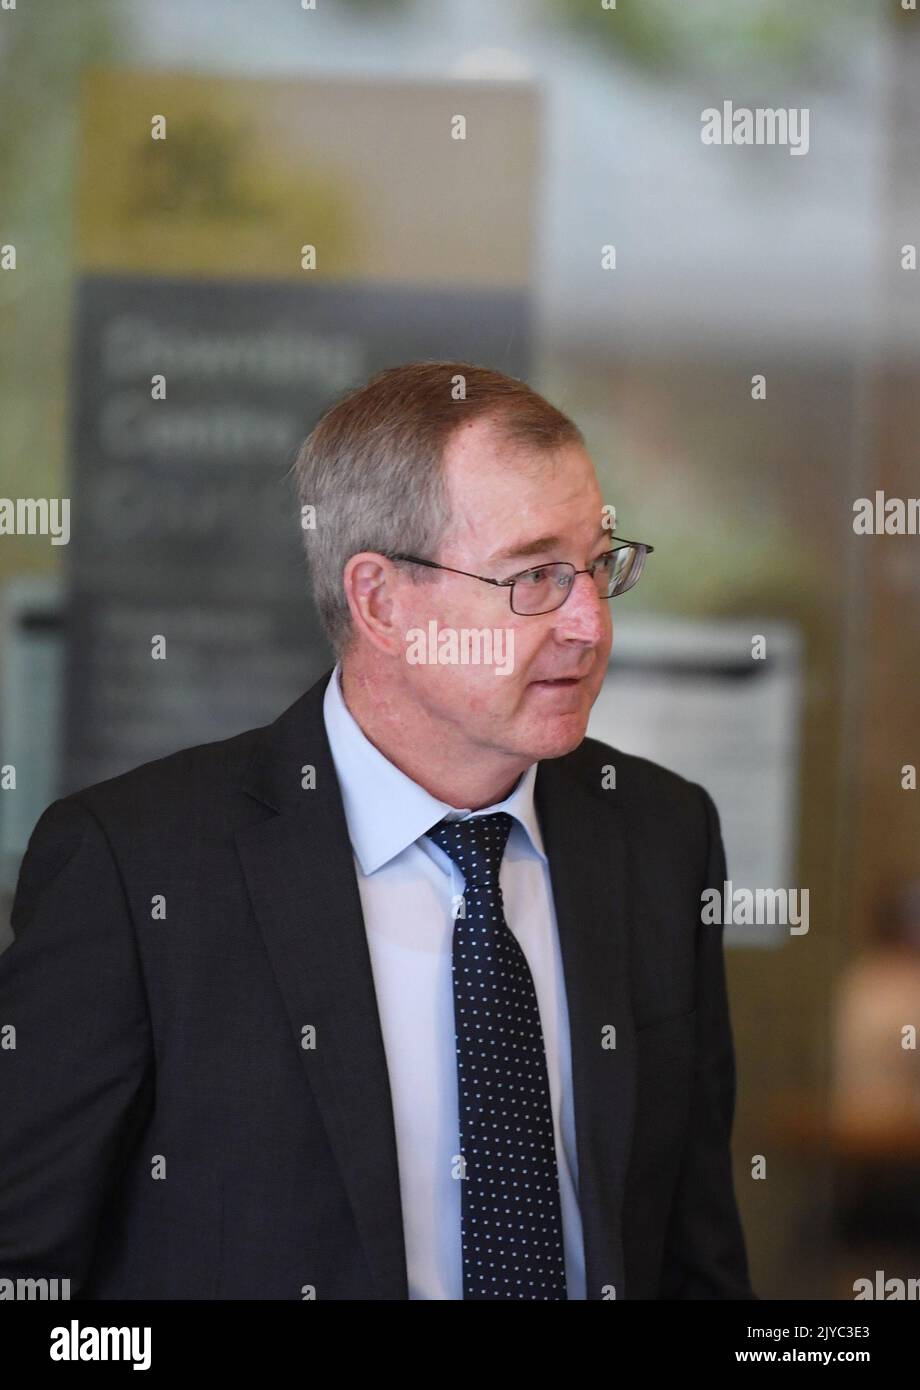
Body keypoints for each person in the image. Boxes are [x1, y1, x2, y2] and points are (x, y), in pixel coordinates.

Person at [0, 361, 754, 1300]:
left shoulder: (661, 833)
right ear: (382, 602)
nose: (589, 624)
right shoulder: (136, 866)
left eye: (599, 565)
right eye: (535, 577)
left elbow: (697, 1260)